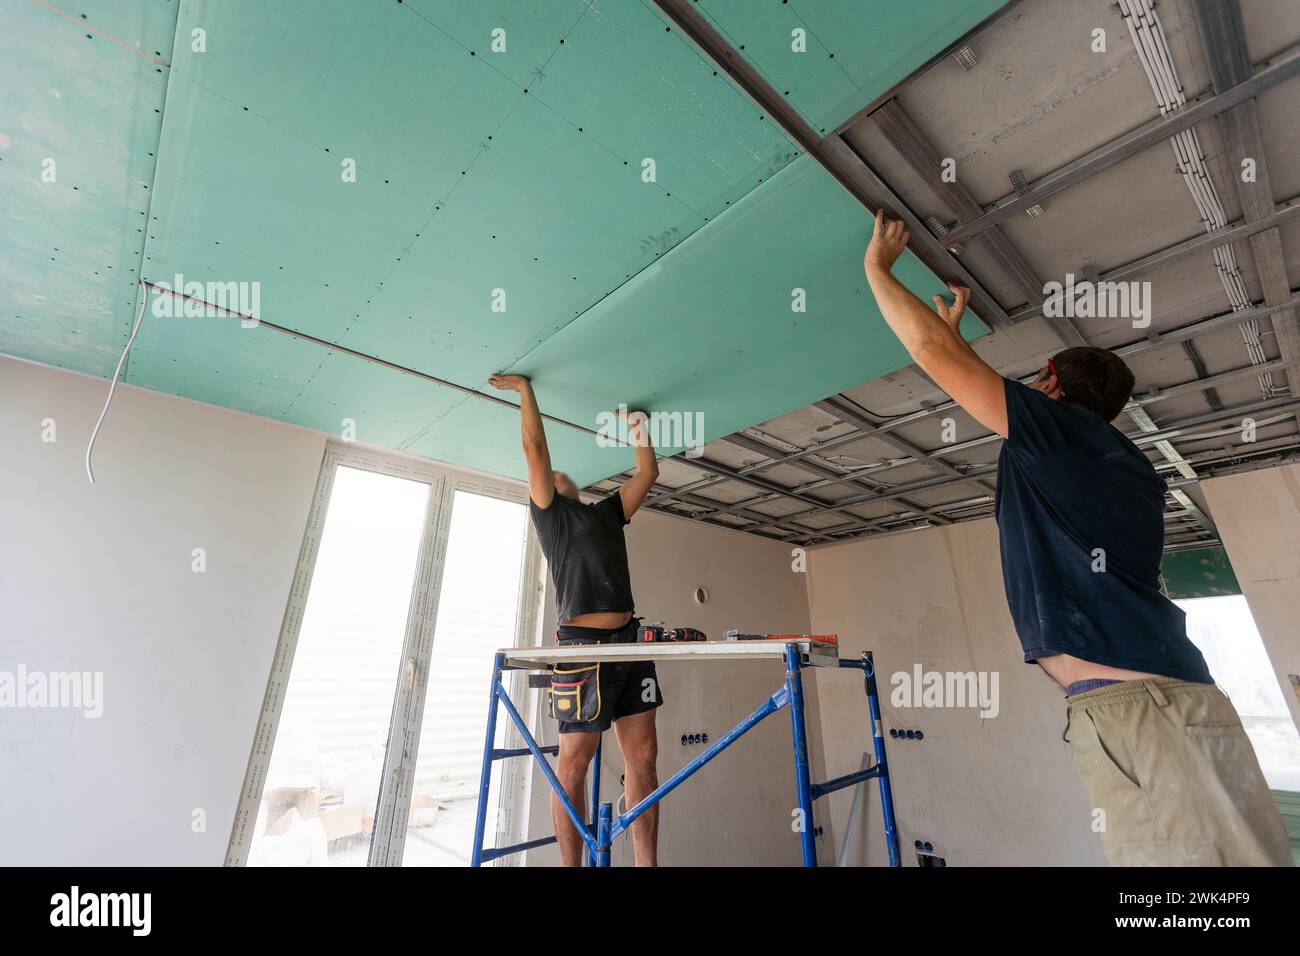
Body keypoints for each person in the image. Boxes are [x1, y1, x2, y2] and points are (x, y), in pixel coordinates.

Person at [863, 210, 1292, 866]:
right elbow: (971, 380)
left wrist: (877, 269)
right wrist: (954, 341)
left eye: (1038, 383)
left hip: (1146, 716)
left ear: (1051, 379)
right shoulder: (1109, 457)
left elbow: (934, 360)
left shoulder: (1060, 438)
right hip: (1165, 707)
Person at [488, 374, 663, 866]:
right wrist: (526, 392)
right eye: (551, 476)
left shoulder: (607, 513)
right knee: (574, 765)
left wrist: (639, 427)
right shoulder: (552, 517)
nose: (556, 474)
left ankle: (646, 863)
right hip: (583, 648)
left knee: (644, 764)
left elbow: (648, 474)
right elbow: (535, 449)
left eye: (563, 474)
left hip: (629, 645)